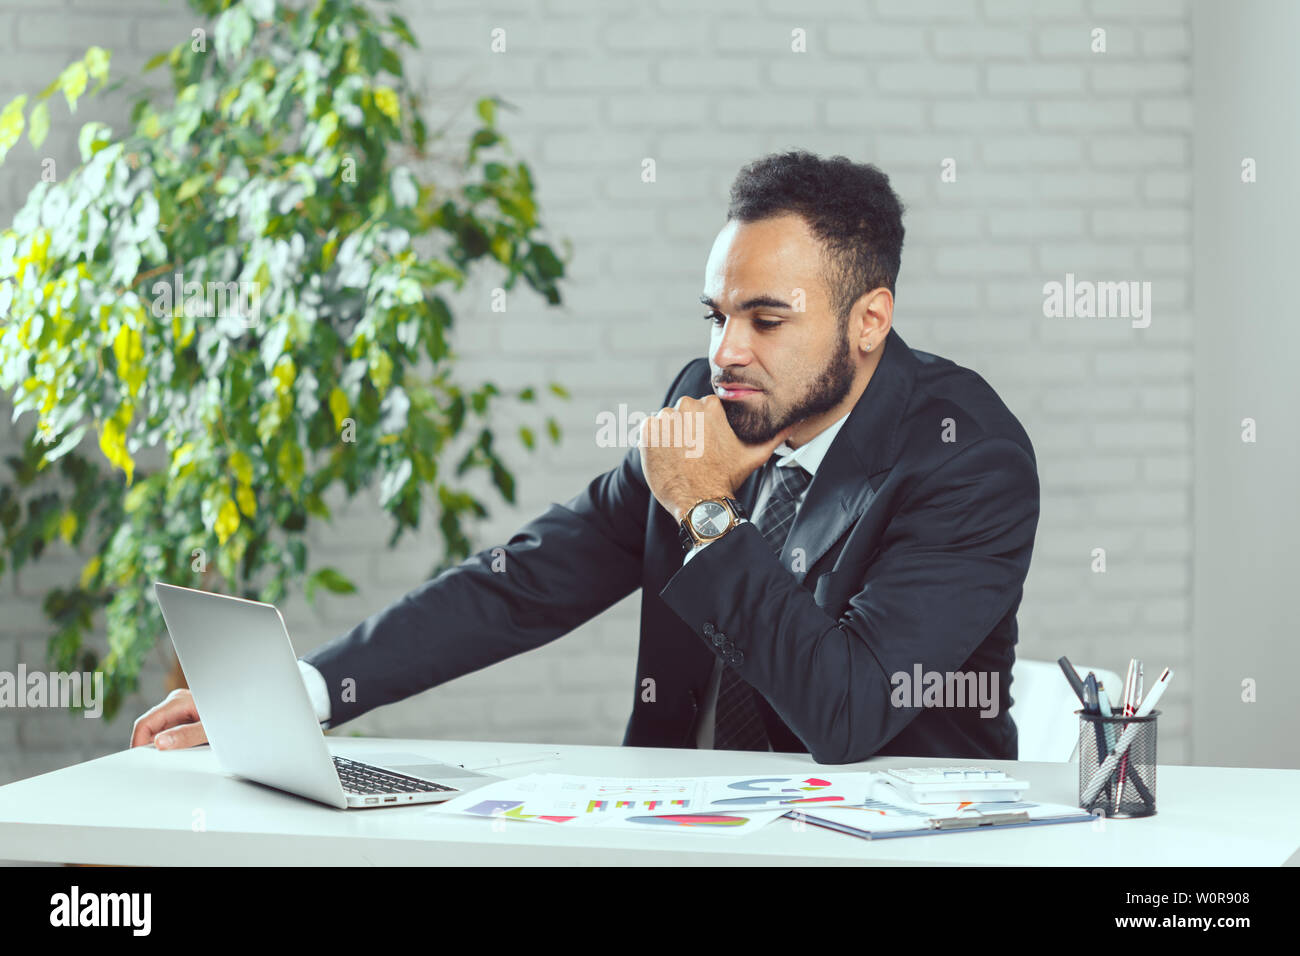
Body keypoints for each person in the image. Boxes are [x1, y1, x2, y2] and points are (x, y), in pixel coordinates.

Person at [132, 150, 1039, 764]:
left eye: (765, 319)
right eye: (716, 316)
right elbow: (523, 582)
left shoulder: (968, 458)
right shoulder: (712, 402)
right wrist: (306, 691)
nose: (726, 351)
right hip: (680, 836)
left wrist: (709, 515)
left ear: (868, 319)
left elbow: (846, 711)